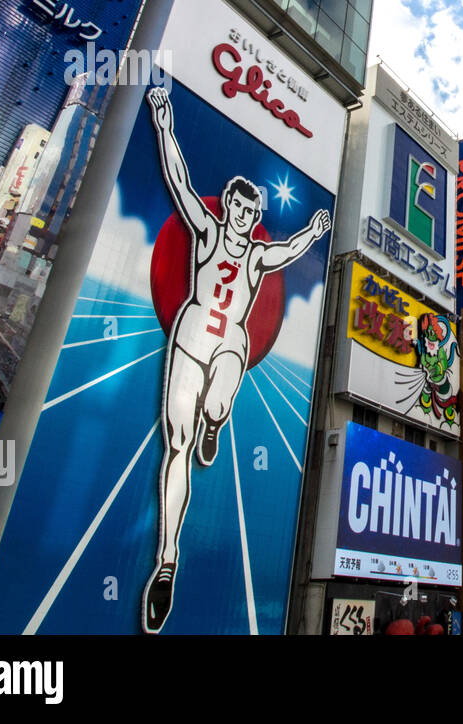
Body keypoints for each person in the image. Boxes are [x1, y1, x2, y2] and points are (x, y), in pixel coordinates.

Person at [141, 87, 330, 634]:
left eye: (253, 212)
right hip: (190, 339)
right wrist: (162, 122)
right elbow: (177, 179)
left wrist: (313, 233)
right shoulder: (205, 230)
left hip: (229, 344)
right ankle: (167, 562)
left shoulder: (256, 254)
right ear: (230, 205)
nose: (245, 217)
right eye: (240, 208)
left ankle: (216, 421)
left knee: (219, 399)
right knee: (175, 446)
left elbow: (289, 251)